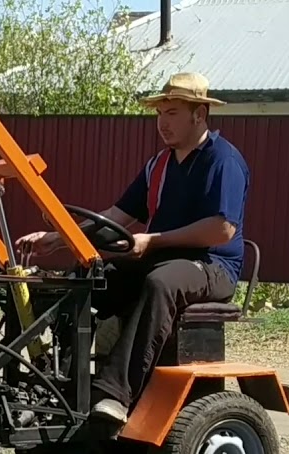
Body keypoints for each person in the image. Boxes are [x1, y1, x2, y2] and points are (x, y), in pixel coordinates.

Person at [14, 71, 250, 428]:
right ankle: (59, 380)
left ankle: (114, 394)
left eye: (171, 113)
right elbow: (114, 216)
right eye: (160, 113)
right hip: (161, 259)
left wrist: (153, 241)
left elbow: (222, 229)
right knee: (89, 276)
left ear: (199, 114)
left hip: (212, 266)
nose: (162, 122)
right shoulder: (159, 165)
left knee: (160, 282)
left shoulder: (222, 160)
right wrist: (58, 238)